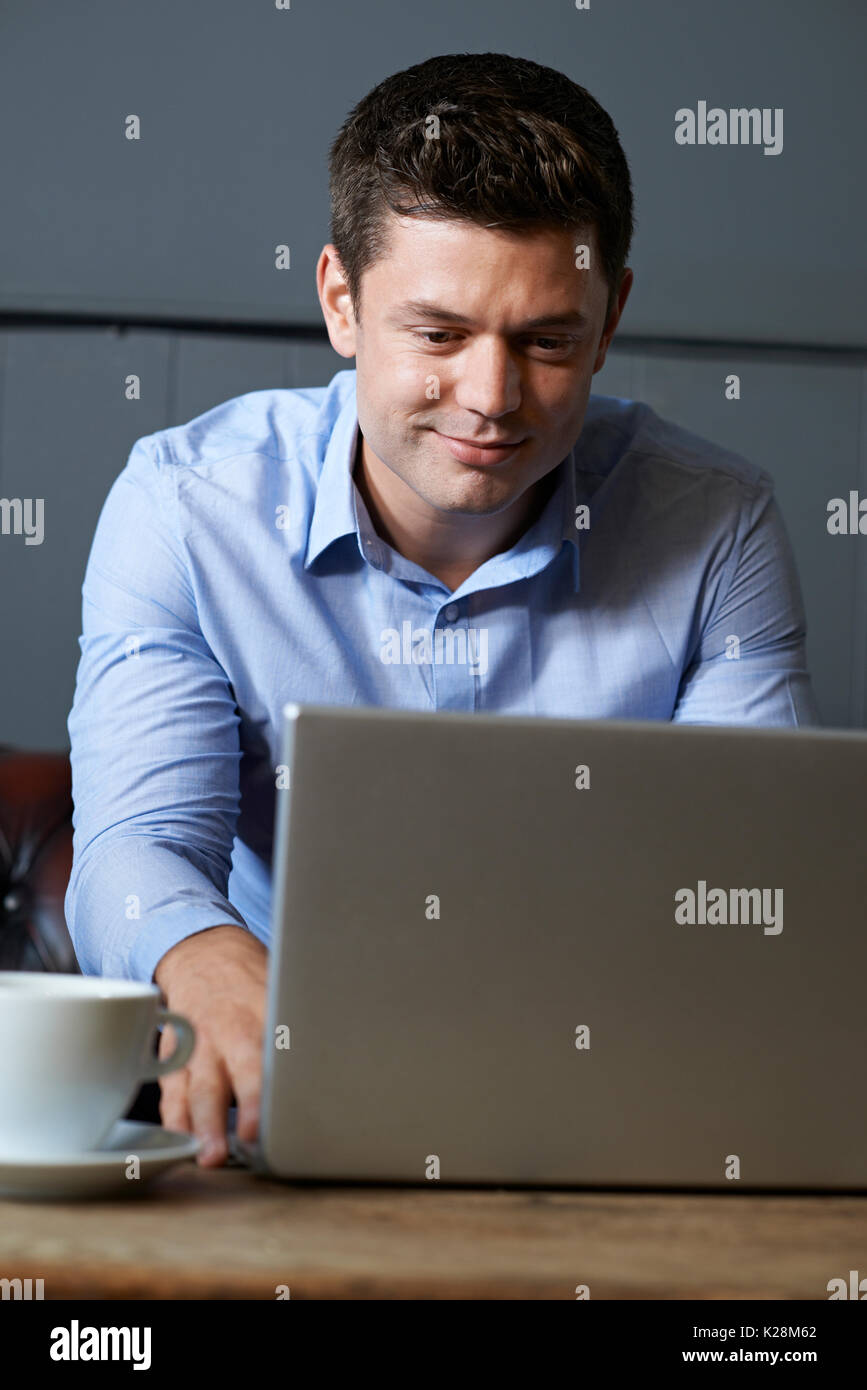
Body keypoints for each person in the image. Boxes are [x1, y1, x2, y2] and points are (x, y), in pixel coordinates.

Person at [65, 53, 817, 1167]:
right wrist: (207, 955)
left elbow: (753, 888)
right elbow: (137, 847)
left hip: (617, 1122)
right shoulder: (183, 510)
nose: (491, 398)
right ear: (341, 301)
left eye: (547, 341)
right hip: (281, 1123)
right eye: (438, 333)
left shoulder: (719, 524)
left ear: (609, 324)